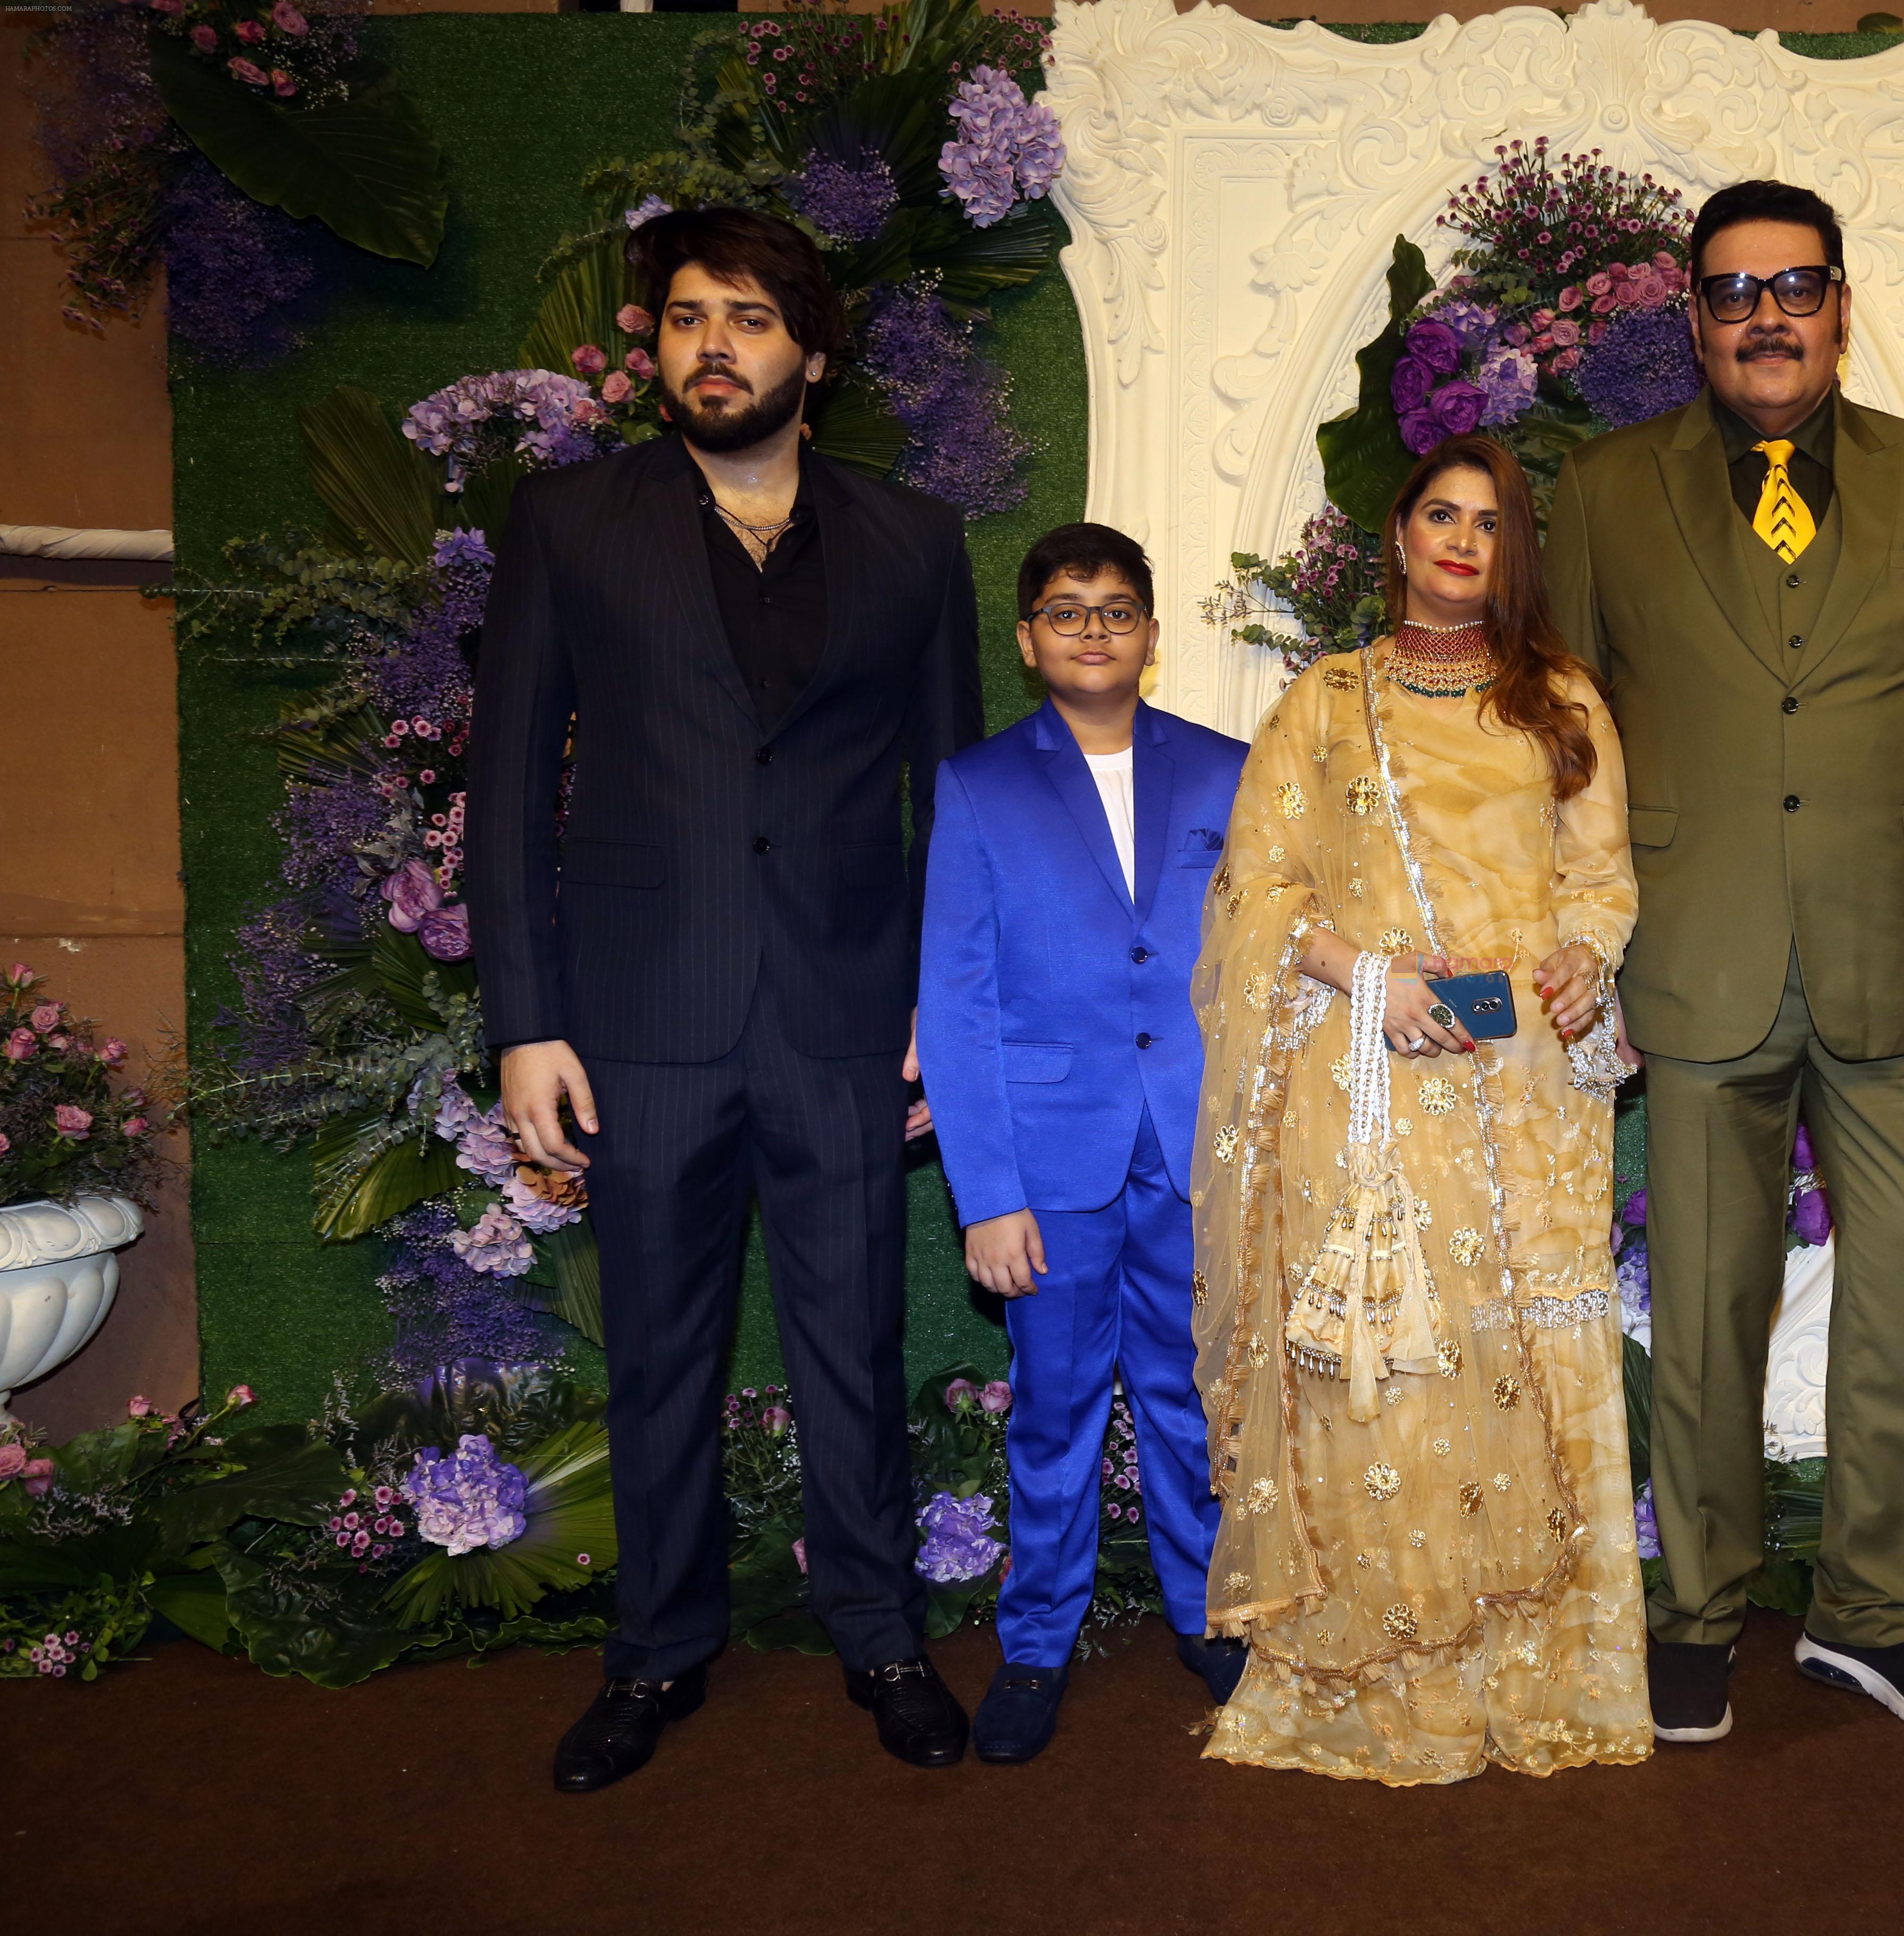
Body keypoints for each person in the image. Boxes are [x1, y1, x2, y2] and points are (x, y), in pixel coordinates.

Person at [1543, 180, 1904, 1743]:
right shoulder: (1607, 489)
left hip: (1897, 968)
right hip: (1692, 965)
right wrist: (1575, 945)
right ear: (1694, 319)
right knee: (1708, 1316)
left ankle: (1875, 1618)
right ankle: (1698, 1617)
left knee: (1899, 1306)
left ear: (1841, 305)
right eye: (1732, 292)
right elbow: (1557, 743)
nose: (1765, 316)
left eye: (1795, 286)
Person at [468, 206, 983, 1791]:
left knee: (854, 1345)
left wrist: (945, 1004)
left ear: (811, 358)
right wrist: (525, 1022)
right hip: (642, 1018)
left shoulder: (914, 539)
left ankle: (880, 1636)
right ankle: (657, 1651)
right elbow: (508, 789)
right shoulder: (572, 524)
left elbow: (955, 798)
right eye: (689, 316)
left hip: (846, 1015)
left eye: (751, 319)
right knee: (661, 1355)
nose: (713, 344)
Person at [1192, 435, 1649, 1783]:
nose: (1462, 539)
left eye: (1490, 523)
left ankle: (1547, 1678)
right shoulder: (1326, 702)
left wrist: (1588, 956)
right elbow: (1259, 888)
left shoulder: (1561, 697)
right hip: (1374, 1079)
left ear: (1516, 552)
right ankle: (1398, 1693)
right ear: (1397, 536)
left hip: (1528, 1091)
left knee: (1534, 1346)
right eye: (1440, 515)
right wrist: (1371, 979)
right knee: (1396, 1362)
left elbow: (1601, 880)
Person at [914, 523, 1251, 1762]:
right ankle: (1037, 1643)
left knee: (1187, 1396)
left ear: (1152, 633)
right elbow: (957, 1000)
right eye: (1067, 610)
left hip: (1196, 1149)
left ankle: (1207, 1614)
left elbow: (1270, 961)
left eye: (1116, 609)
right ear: (1028, 639)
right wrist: (986, 1195)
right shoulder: (979, 786)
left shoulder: (1229, 770)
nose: (1093, 630)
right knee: (1054, 1411)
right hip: (1048, 1163)